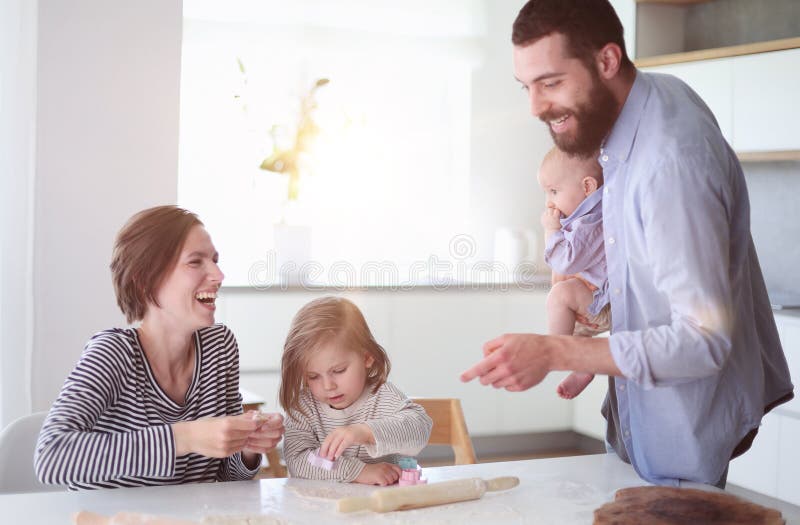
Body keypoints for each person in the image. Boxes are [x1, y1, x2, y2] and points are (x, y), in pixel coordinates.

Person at [461, 0, 793, 487]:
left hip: (686, 422)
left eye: (550, 83)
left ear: (607, 61)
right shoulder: (645, 106)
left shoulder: (669, 162)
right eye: (527, 87)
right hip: (647, 411)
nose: (535, 107)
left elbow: (703, 340)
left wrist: (555, 353)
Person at [35, 205, 285, 490]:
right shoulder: (113, 352)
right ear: (146, 280)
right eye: (195, 262)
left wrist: (249, 445)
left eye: (215, 260)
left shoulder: (220, 347)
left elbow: (228, 478)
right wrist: (185, 437)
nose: (218, 275)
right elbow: (51, 456)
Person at [280, 296, 432, 485]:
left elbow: (420, 429)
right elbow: (298, 461)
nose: (328, 386)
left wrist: (366, 432)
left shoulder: (382, 396)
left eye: (338, 371)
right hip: (320, 506)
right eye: (313, 376)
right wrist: (359, 472)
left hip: (380, 506)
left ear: (366, 357)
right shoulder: (304, 407)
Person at [539, 147, 610, 399]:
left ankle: (553, 352)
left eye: (554, 191)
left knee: (560, 297)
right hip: (595, 296)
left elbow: (565, 261)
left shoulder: (589, 223)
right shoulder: (584, 217)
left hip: (602, 302)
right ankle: (583, 368)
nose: (549, 201)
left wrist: (551, 231)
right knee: (569, 320)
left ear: (588, 187)